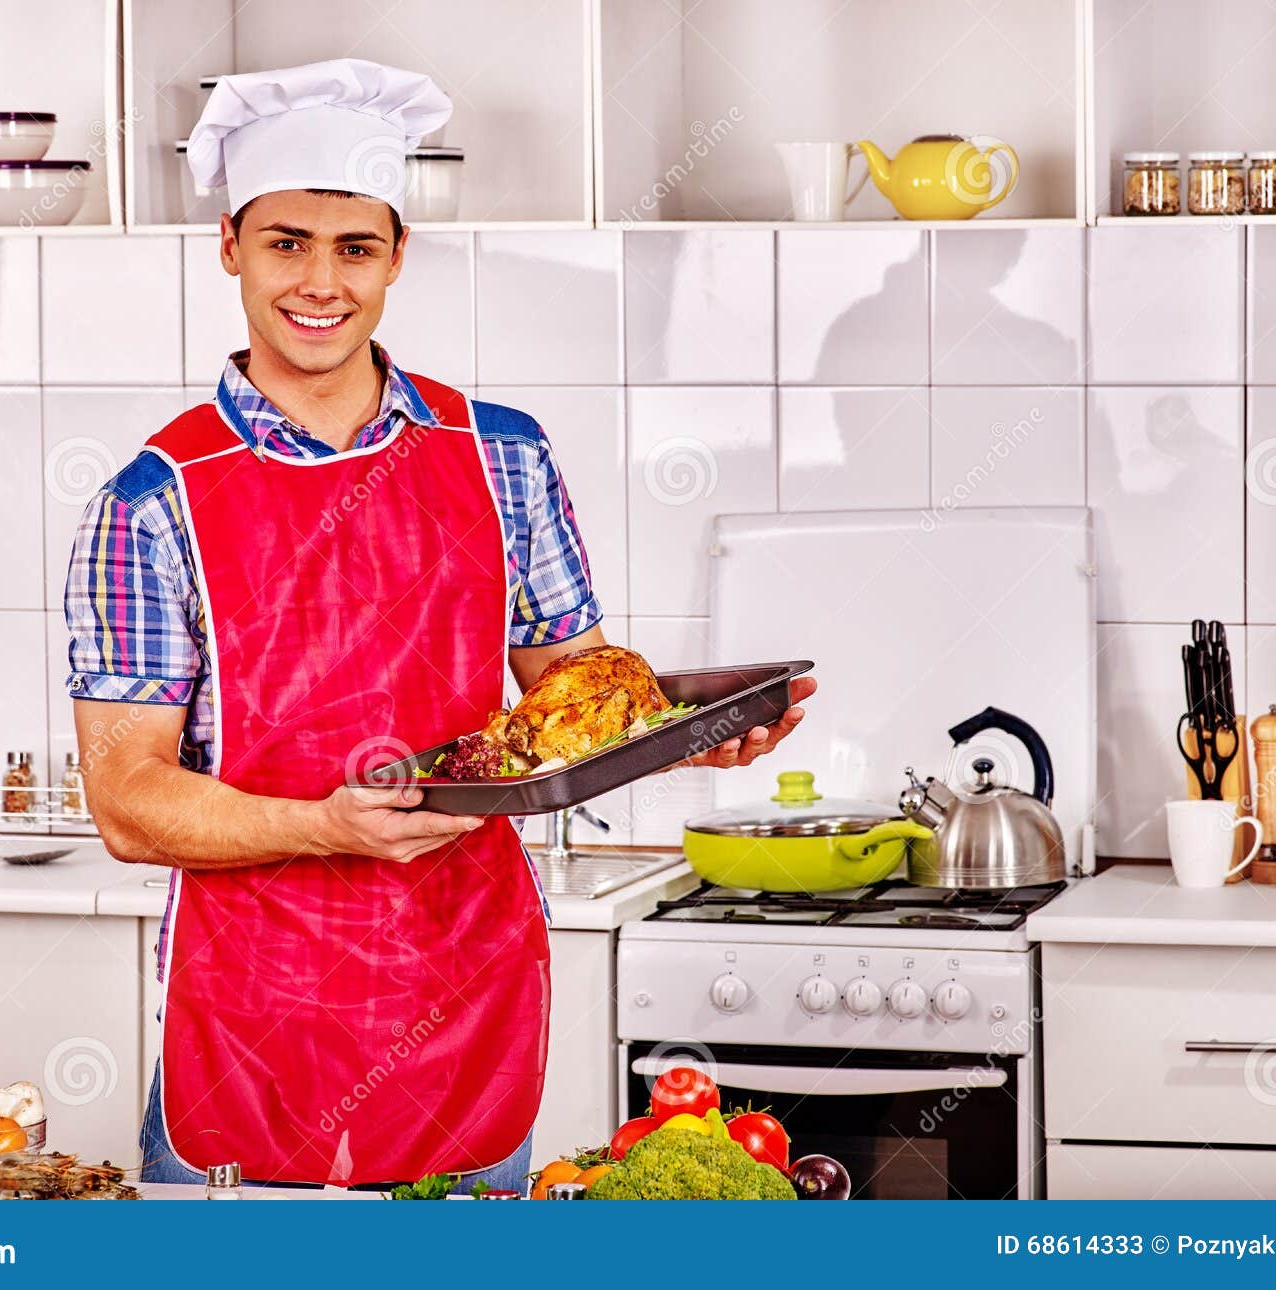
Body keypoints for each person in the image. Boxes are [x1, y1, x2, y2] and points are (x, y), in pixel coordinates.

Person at [63, 58, 816, 1192]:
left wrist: (686, 729)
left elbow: (575, 701)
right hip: (252, 1017)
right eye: (286, 243)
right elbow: (127, 800)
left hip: (464, 997)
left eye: (354, 247)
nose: (319, 282)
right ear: (229, 245)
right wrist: (327, 828)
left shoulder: (500, 457)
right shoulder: (153, 500)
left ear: (397, 256)